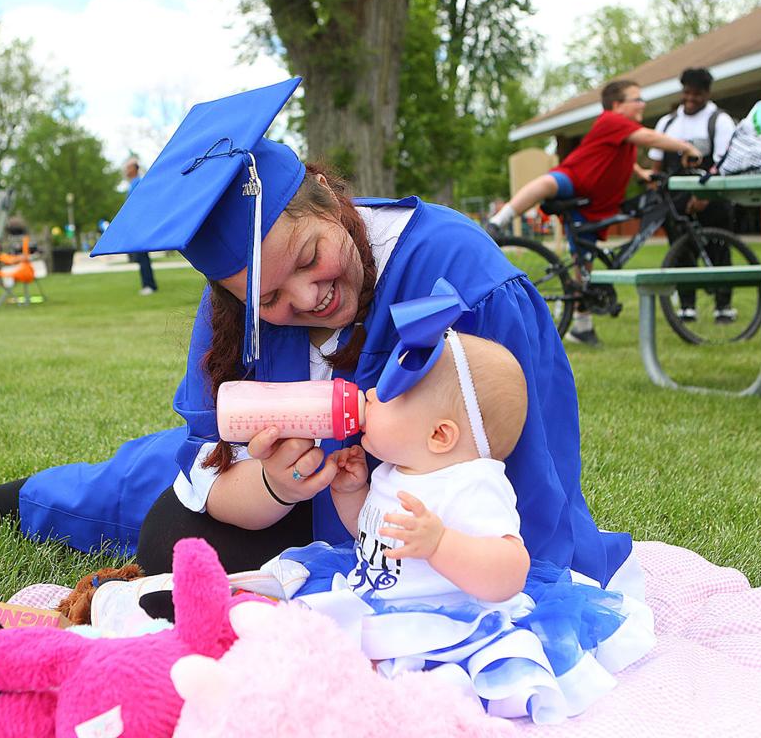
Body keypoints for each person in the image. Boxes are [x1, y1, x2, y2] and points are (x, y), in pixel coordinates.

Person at [0, 79, 642, 620]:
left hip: (414, 528)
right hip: (277, 506)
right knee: (133, 484)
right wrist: (270, 478)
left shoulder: (459, 273)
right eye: (270, 299)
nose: (305, 300)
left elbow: (527, 468)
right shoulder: (235, 311)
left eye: (311, 261)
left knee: (150, 505)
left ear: (330, 200)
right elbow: (205, 456)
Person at [270, 296, 652, 720]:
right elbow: (373, 538)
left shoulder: (472, 485)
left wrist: (440, 544)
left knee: (427, 689)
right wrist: (351, 495)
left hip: (443, 623)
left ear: (440, 435)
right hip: (376, 600)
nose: (371, 394)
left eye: (391, 395)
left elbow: (509, 569)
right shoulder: (393, 470)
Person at [488, 80, 704, 346]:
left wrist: (642, 173)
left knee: (584, 268)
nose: (642, 103)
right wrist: (686, 146)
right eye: (636, 99)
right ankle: (499, 221)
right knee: (547, 183)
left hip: (593, 204)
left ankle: (581, 327)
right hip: (577, 180)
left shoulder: (622, 134)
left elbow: (625, 158)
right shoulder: (611, 120)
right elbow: (649, 137)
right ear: (617, 105)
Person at [649, 67, 739, 324]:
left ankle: (723, 306)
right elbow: (657, 165)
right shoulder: (667, 123)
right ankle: (686, 305)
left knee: (718, 250)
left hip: (712, 198)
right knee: (681, 252)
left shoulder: (719, 120)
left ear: (707, 94)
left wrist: (705, 196)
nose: (690, 99)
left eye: (697, 94)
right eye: (686, 93)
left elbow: (723, 163)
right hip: (676, 201)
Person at [124, 158, 158, 296]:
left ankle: (149, 285)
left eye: (128, 168)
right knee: (141, 257)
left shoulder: (138, 183)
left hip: (140, 225)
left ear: (135, 169)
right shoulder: (132, 184)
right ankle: (147, 284)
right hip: (136, 225)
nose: (126, 171)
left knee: (142, 256)